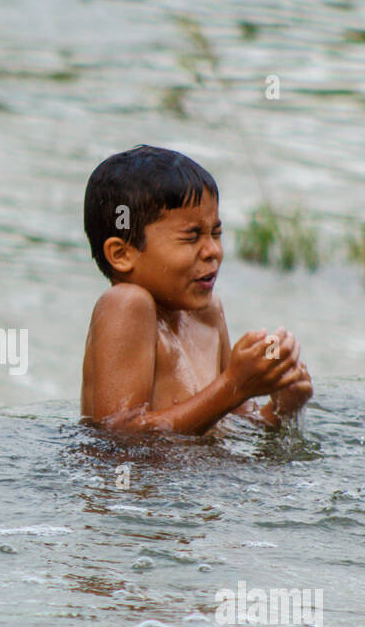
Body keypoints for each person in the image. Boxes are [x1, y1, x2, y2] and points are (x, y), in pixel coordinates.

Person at [80, 144, 313, 434]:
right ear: (122, 254)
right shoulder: (126, 303)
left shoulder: (207, 312)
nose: (213, 250)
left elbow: (236, 425)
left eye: (216, 233)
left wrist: (281, 406)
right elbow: (117, 433)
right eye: (192, 237)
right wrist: (234, 385)